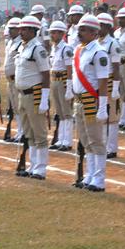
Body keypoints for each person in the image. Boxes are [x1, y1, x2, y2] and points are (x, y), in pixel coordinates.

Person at [70, 14, 111, 191]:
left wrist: (102, 107)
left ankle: (99, 178)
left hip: (91, 100)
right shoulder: (79, 50)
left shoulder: (99, 52)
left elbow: (103, 82)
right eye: (80, 29)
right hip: (78, 100)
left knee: (96, 140)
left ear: (95, 33)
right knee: (85, 140)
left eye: (85, 30)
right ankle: (90, 174)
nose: (81, 33)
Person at [14, 15, 51, 178]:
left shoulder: (38, 49)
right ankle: (33, 164)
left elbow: (45, 75)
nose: (20, 32)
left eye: (24, 29)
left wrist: (44, 99)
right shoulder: (23, 47)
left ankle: (41, 168)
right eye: (20, 29)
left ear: (33, 31)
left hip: (34, 94)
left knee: (39, 133)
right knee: (28, 132)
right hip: (22, 94)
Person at [96, 12, 124, 158]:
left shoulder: (113, 43)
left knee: (111, 116)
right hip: (99, 82)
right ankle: (102, 144)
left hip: (110, 80)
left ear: (107, 27)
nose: (98, 28)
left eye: (100, 25)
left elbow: (117, 66)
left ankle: (111, 148)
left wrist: (115, 88)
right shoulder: (96, 42)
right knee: (100, 115)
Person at [47, 20, 75, 152]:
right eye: (51, 32)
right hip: (54, 80)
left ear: (61, 33)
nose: (52, 35)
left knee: (67, 112)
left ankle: (67, 141)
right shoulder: (54, 48)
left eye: (54, 32)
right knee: (59, 111)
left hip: (63, 80)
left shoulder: (66, 48)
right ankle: (60, 139)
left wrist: (69, 87)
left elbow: (69, 68)